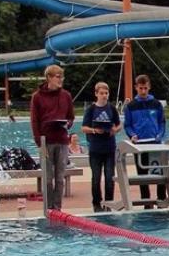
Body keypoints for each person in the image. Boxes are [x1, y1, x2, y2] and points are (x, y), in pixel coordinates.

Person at [29, 65, 75, 211]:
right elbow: (34, 120)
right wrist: (38, 141)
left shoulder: (66, 96)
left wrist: (67, 124)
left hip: (61, 139)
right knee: (48, 178)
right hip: (46, 141)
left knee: (60, 178)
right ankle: (48, 208)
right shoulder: (37, 97)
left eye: (62, 77)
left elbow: (71, 117)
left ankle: (58, 208)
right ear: (49, 77)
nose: (60, 80)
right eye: (57, 77)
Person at [123, 75, 167, 208]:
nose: (143, 91)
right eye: (141, 88)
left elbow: (162, 122)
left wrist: (160, 134)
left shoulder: (156, 104)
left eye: (145, 88)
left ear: (149, 87)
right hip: (139, 145)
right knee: (142, 174)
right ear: (136, 87)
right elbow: (128, 125)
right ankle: (146, 201)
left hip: (155, 143)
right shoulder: (131, 106)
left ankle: (161, 199)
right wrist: (132, 135)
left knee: (160, 173)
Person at [81, 81, 122, 213]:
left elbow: (119, 124)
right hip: (95, 148)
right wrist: (94, 130)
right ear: (96, 94)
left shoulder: (111, 109)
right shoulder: (91, 110)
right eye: (101, 93)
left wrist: (115, 130)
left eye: (106, 93)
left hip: (109, 147)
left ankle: (108, 203)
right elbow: (84, 128)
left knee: (110, 177)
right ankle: (96, 203)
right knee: (96, 177)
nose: (104, 96)